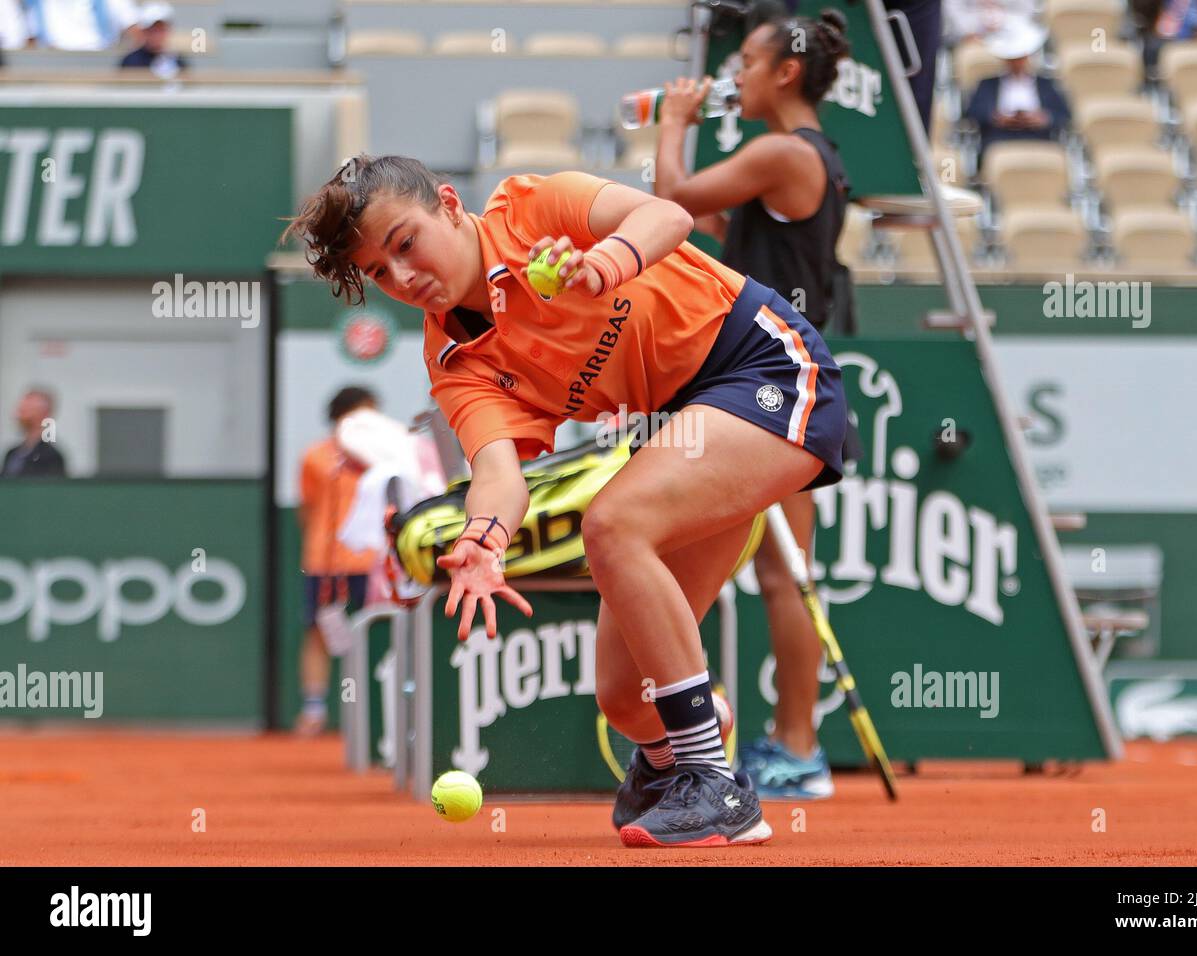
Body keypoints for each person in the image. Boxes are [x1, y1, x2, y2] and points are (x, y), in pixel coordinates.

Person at [281, 155, 848, 848]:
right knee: (626, 698)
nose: (404, 278)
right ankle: (678, 750)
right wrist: (483, 542)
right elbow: (498, 473)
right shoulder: (457, 362)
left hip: (767, 366)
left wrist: (609, 260)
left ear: (450, 206)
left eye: (405, 244)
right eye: (379, 272)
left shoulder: (533, 206)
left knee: (614, 523)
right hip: (684, 426)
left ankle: (712, 781)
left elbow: (668, 215)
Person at [651, 9, 853, 801]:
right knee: (779, 575)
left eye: (745, 63)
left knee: (785, 578)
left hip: (781, 386)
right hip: (771, 383)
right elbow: (708, 218)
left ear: (787, 72)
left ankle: (798, 748)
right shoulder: (804, 159)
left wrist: (673, 122)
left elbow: (672, 200)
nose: (733, 76)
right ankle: (780, 742)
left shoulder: (779, 151)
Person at [295, 386, 379, 736]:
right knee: (319, 632)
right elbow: (307, 507)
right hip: (327, 564)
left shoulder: (385, 456)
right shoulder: (315, 456)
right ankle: (314, 711)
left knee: (380, 634)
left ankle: (372, 717)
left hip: (376, 563)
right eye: (361, 414)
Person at [965, 20, 1071, 165]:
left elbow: (1063, 114)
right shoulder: (987, 84)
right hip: (999, 138)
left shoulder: (1045, 84)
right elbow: (972, 113)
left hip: (1038, 139)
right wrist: (996, 117)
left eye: (1020, 58)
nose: (1017, 63)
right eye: (1012, 59)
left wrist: (1043, 118)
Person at [22, 0, 141, 51]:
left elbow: (136, 35)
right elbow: (29, 40)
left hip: (103, 67)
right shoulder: (37, 3)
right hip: (50, 68)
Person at [3, 388, 66, 477]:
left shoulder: (51, 457)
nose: (19, 415)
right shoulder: (12, 453)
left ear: (44, 414)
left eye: (28, 410)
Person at [120, 2, 185, 77]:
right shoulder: (130, 61)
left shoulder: (179, 61)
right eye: (153, 29)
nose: (157, 34)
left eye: (161, 29)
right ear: (144, 31)